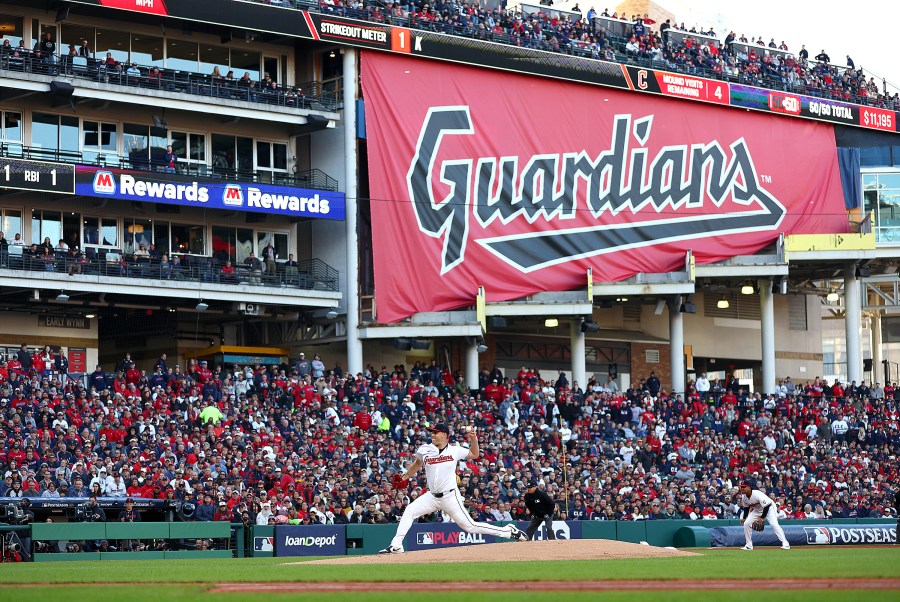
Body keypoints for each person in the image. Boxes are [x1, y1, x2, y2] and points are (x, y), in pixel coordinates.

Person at [379, 424, 528, 554]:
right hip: (431, 496)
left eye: (435, 432)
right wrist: (405, 477)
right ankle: (396, 545)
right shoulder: (425, 449)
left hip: (450, 497)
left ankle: (509, 531)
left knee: (470, 527)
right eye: (431, 432)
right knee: (410, 511)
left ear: (444, 435)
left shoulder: (455, 450)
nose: (432, 435)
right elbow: (418, 464)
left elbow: (475, 454)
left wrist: (474, 439)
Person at [737, 482, 789, 550]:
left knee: (774, 524)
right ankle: (749, 545)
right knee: (746, 523)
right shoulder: (744, 497)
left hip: (769, 508)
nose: (742, 488)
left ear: (749, 487)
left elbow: (766, 506)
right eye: (741, 487)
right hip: (758, 510)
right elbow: (746, 507)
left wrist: (762, 517)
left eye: (744, 487)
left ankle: (785, 543)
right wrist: (744, 518)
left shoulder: (757, 494)